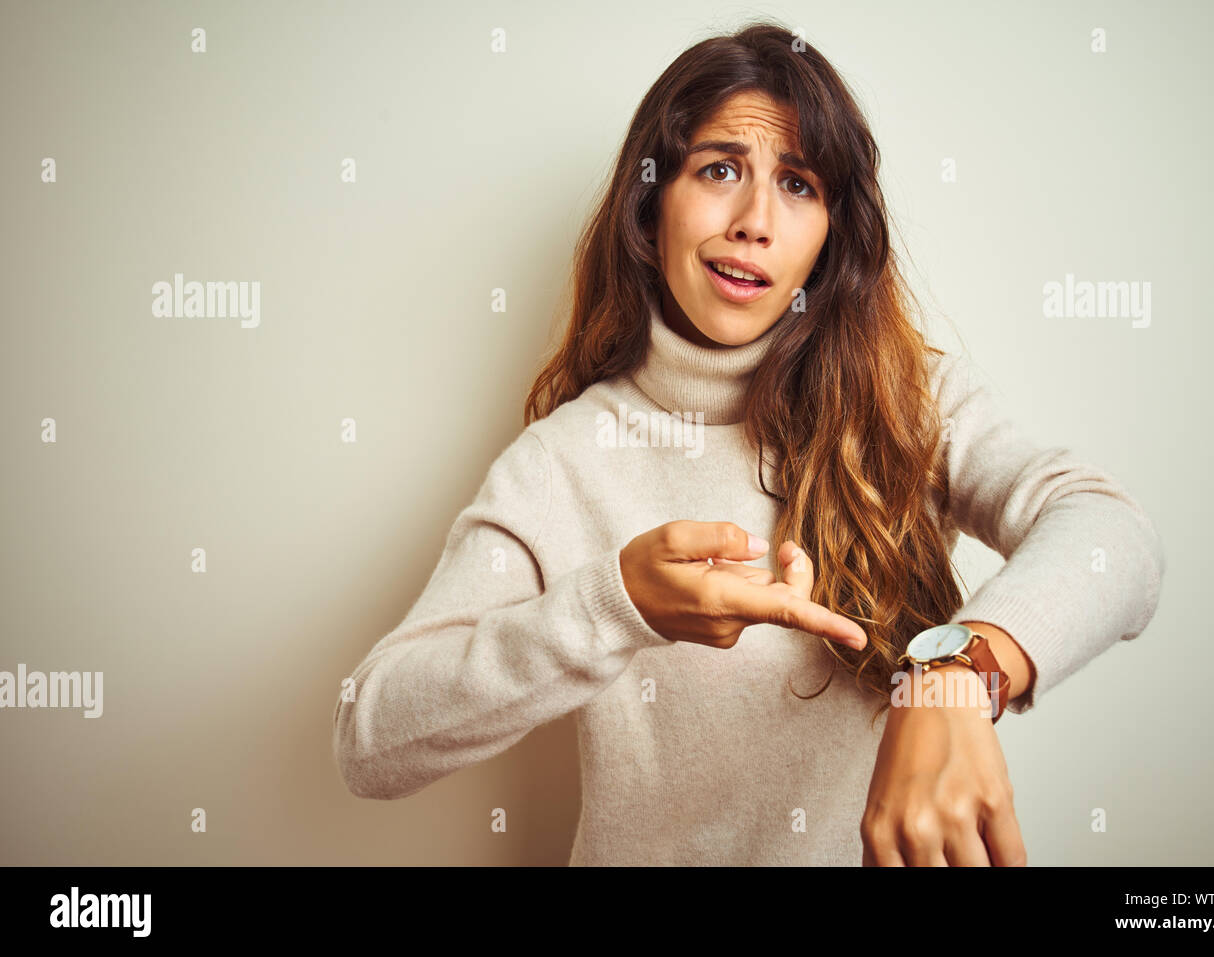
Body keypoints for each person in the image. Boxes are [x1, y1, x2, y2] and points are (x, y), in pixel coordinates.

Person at [332, 20, 1165, 866]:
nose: (755, 220)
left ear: (830, 238)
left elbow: (1114, 537)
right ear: (650, 203)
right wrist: (613, 606)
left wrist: (957, 676)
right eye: (720, 169)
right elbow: (369, 738)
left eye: (798, 184)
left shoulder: (909, 404)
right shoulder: (561, 461)